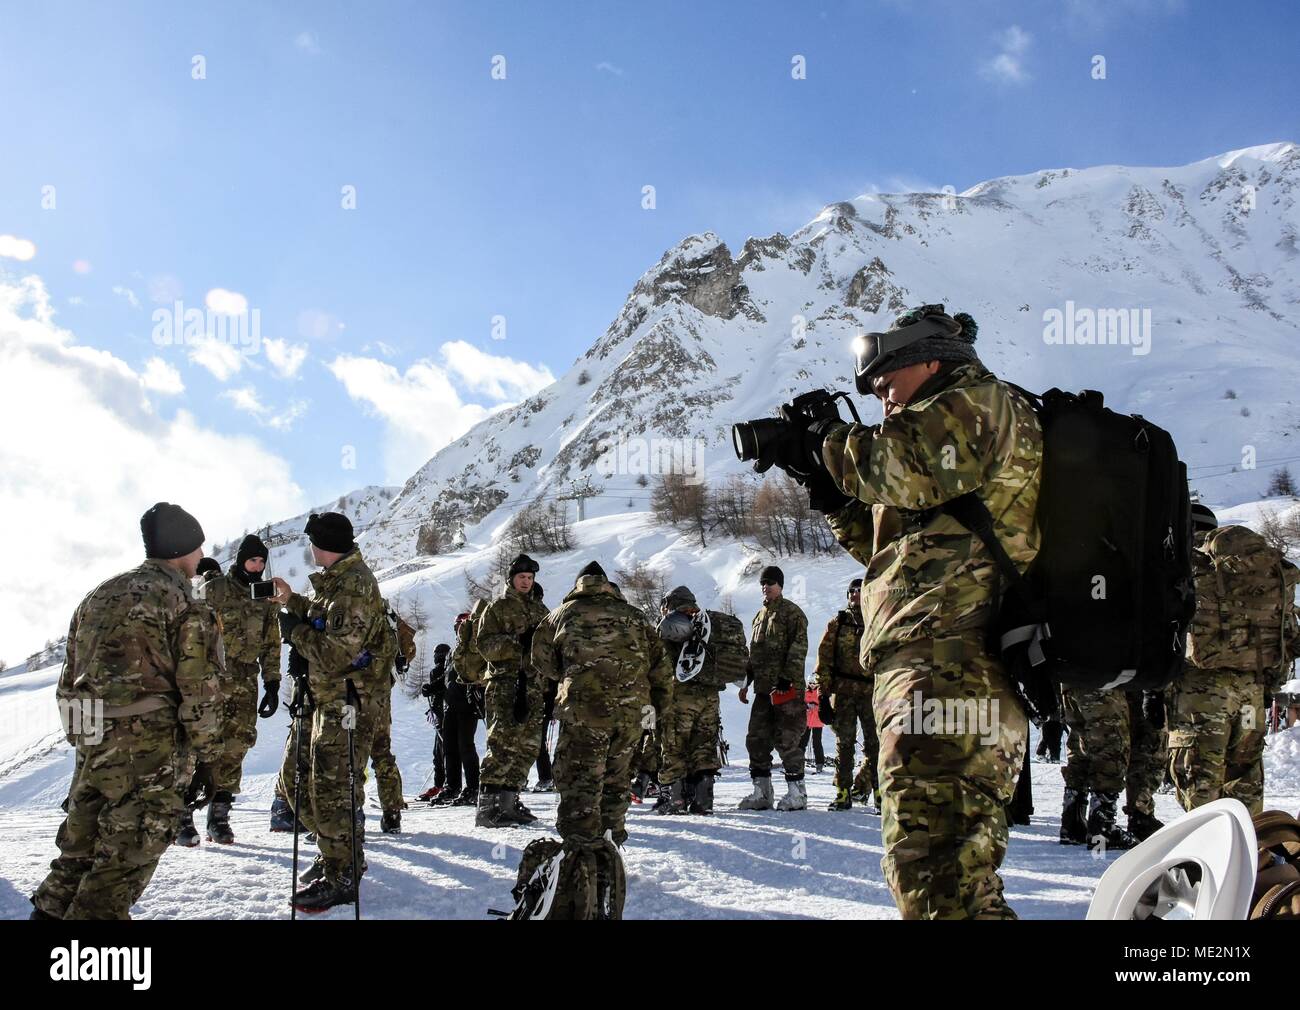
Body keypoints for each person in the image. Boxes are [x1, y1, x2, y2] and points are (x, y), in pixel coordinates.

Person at [792, 304, 1039, 918]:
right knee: (951, 877)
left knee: (937, 878)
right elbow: (892, 552)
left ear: (930, 359)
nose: (880, 398)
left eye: (886, 382)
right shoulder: (944, 435)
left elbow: (893, 466)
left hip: (952, 665)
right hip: (939, 665)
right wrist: (824, 485)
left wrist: (823, 439)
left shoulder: (977, 403)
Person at [30, 503, 224, 919]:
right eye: (198, 545)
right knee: (124, 862)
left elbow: (70, 677)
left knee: (76, 855)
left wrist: (86, 745)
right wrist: (207, 758)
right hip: (152, 751)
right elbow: (199, 690)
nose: (200, 554)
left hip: (95, 743)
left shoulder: (100, 594)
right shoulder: (185, 602)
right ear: (183, 548)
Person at [271, 512, 396, 913]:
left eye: (311, 542)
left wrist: (294, 633)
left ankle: (343, 873)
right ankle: (334, 850)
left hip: (348, 702)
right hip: (324, 698)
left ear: (321, 544)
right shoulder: (338, 582)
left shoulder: (355, 586)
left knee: (332, 789)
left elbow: (337, 654)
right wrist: (293, 601)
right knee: (295, 781)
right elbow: (328, 618)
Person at [1170, 503, 1300, 816]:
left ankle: (1202, 857)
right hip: (1251, 694)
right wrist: (1271, 683)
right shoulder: (1260, 569)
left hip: (1201, 696)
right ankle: (1252, 856)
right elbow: (1287, 633)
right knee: (1245, 778)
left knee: (1201, 782)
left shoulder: (1188, 568)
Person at [530, 562, 672, 844]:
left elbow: (540, 660)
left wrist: (571, 677)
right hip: (632, 714)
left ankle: (581, 856)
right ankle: (611, 848)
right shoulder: (637, 618)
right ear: (607, 585)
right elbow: (662, 672)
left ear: (578, 584)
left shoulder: (560, 615)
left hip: (583, 713)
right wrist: (653, 715)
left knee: (580, 780)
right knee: (617, 781)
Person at [191, 533, 281, 845]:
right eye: (252, 559)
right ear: (241, 559)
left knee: (238, 744)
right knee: (202, 742)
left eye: (261, 562)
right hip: (211, 677)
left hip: (245, 678)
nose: (256, 566)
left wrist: (272, 682)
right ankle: (184, 812)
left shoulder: (265, 595)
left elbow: (271, 641)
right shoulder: (216, 589)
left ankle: (219, 816)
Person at [474, 554, 551, 828]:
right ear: (512, 579)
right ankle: (488, 807)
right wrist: (517, 643)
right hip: (505, 685)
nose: (526, 582)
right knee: (502, 744)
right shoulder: (498, 607)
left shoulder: (541, 611)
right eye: (522, 578)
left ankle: (509, 800)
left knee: (528, 746)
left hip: (533, 688)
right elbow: (484, 645)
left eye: (530, 578)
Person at [654, 585, 739, 815]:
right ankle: (703, 801)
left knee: (674, 745)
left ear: (668, 604)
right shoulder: (707, 624)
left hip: (679, 696)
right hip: (710, 697)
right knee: (704, 746)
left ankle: (676, 801)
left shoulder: (671, 624)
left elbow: (659, 663)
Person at [737, 566, 809, 812]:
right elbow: (754, 653)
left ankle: (797, 793)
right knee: (756, 739)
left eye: (770, 582)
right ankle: (762, 792)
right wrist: (746, 681)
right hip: (763, 690)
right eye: (763, 583)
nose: (765, 586)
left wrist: (787, 678)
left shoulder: (792, 613)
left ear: (780, 585)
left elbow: (799, 648)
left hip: (786, 690)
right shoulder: (759, 616)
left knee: (787, 739)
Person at [816, 578, 878, 812]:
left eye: (860, 591)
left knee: (876, 745)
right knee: (845, 745)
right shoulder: (838, 623)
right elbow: (824, 661)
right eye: (852, 591)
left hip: (872, 693)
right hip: (843, 694)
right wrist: (822, 697)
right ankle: (843, 793)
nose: (855, 594)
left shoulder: (877, 622)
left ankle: (877, 793)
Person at [369, 602, 414, 833]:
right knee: (382, 753)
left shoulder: (344, 602)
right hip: (381, 693)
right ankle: (392, 812)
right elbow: (408, 648)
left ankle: (350, 814)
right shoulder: (386, 611)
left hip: (351, 692)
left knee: (348, 755)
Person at [418, 643, 452, 801]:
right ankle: (442, 784)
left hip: (443, 714)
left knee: (442, 751)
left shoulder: (441, 670)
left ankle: (443, 785)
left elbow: (442, 689)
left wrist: (431, 690)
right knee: (439, 751)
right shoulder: (448, 669)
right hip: (441, 713)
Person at [801, 682, 825, 773]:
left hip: (817, 721)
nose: (812, 685)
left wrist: (815, 706)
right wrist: (806, 706)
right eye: (810, 683)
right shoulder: (805, 692)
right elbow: (801, 703)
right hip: (806, 721)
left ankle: (819, 764)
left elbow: (824, 705)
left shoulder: (820, 692)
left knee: (817, 743)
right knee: (802, 742)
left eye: (814, 683)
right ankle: (799, 763)